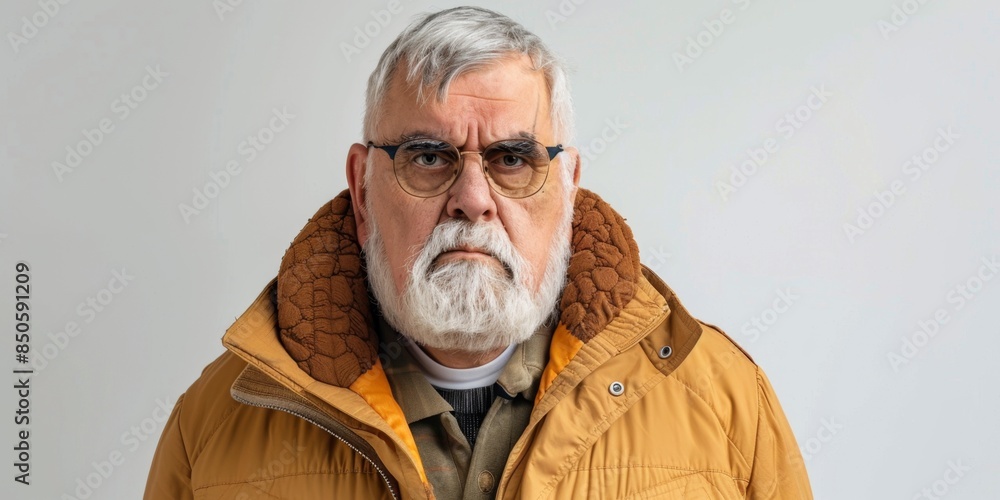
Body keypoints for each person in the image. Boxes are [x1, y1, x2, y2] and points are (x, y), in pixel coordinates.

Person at [144, 6, 813, 499]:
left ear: (570, 187)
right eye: (428, 156)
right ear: (361, 186)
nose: (472, 197)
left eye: (513, 158)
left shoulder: (725, 402)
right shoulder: (218, 422)